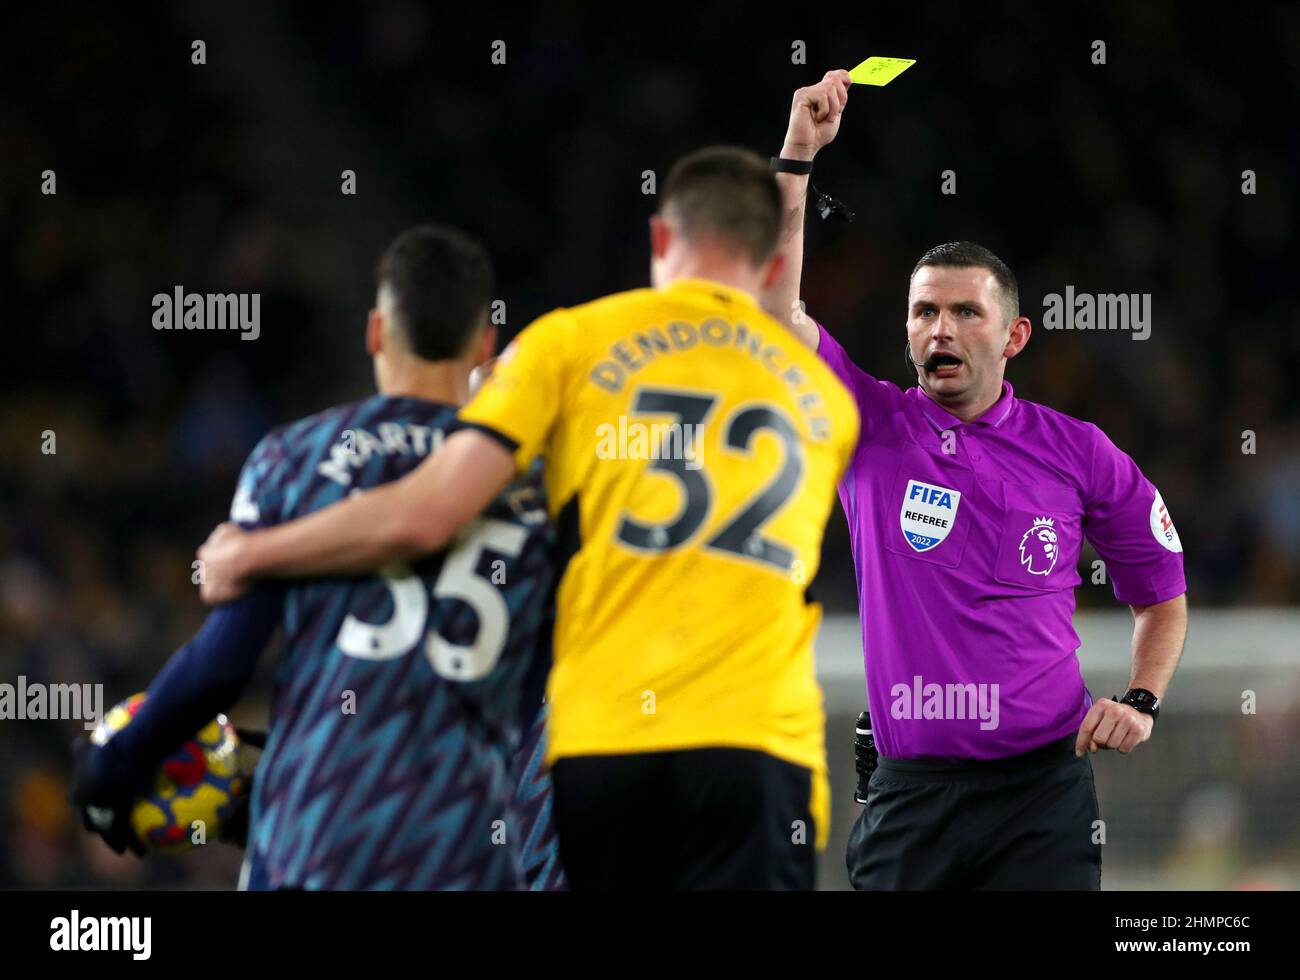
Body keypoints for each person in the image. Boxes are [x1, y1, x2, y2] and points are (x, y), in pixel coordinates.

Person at [195, 146, 861, 890]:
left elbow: (427, 513)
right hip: (763, 741)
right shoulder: (821, 399)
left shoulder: (572, 345)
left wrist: (255, 552)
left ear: (661, 240)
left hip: (609, 739)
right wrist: (796, 161)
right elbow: (764, 346)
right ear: (771, 266)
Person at [763, 70, 1188, 889]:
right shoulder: (868, 425)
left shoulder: (1080, 451)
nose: (940, 329)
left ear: (1015, 334)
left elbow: (1161, 593)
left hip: (1043, 798)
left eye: (965, 312)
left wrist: (1141, 698)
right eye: (924, 312)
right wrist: (797, 156)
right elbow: (776, 315)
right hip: (911, 797)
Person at [71, 225, 559, 890]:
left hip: (313, 853)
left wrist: (117, 766)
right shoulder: (543, 509)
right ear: (483, 343)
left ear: (376, 333)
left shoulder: (297, 459)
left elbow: (219, 669)